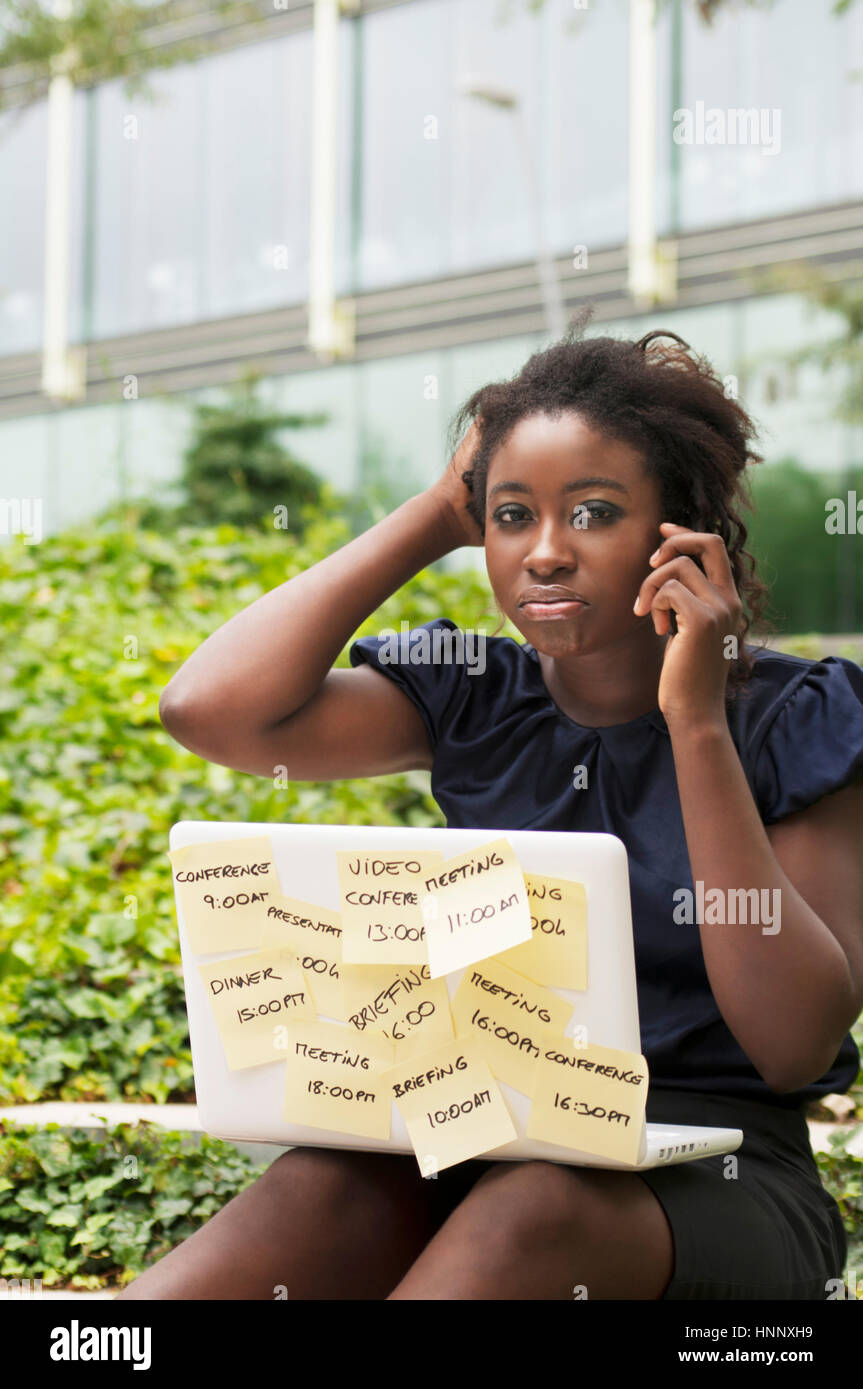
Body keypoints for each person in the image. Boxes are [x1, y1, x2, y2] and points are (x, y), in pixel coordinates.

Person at [118, 326, 863, 1301]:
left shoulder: (792, 719)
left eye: (592, 512)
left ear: (678, 533)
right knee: (317, 1186)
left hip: (710, 1169)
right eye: (512, 515)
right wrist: (436, 510)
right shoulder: (476, 694)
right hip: (481, 1122)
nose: (544, 552)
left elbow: (792, 1040)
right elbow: (210, 710)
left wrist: (693, 723)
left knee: (530, 1208)